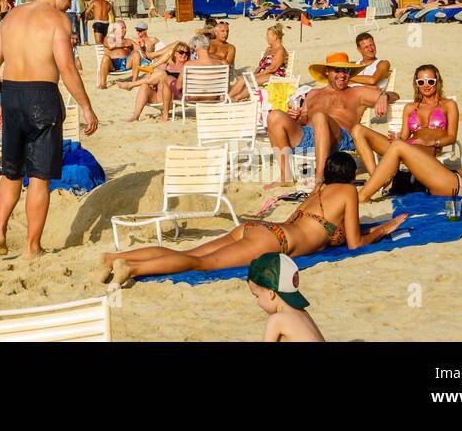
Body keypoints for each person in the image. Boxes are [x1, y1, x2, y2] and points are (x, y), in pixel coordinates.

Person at [95, 152, 407, 288]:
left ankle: (114, 258)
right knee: (199, 264)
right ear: (350, 176)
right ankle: (132, 268)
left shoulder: (319, 191)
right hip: (274, 241)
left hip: (262, 230)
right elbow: (355, 243)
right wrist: (381, 229)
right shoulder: (348, 192)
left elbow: (306, 224)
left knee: (190, 253)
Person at [0, 0, 98, 258]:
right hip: (41, 96)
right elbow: (67, 68)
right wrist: (86, 106)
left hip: (11, 94)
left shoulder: (10, 17)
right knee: (39, 177)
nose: (69, 4)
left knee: (11, 172)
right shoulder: (57, 20)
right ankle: (33, 246)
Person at [265, 52, 397, 186]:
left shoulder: (357, 92)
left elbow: (395, 95)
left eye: (346, 70)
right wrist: (296, 117)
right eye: (337, 70)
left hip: (339, 138)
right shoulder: (313, 94)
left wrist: (384, 96)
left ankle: (320, 176)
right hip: (308, 135)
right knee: (274, 115)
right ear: (327, 71)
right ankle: (286, 177)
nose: (342, 74)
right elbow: (303, 120)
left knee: (319, 116)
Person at [350, 64, 460, 182]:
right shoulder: (410, 107)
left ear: (437, 82)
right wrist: (397, 137)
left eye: (430, 81)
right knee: (357, 129)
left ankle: (378, 180)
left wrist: (431, 142)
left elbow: (452, 137)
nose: (426, 85)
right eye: (421, 82)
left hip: (427, 149)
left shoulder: (449, 105)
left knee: (400, 148)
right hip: (405, 146)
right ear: (416, 85)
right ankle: (376, 178)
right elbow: (404, 137)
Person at [247, 252, 325, 342]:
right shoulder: (303, 313)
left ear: (271, 294)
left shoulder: (276, 320)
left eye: (257, 296)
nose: (257, 302)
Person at [227, 24, 287, 102]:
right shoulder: (269, 49)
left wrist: (256, 75)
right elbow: (260, 66)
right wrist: (253, 74)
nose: (266, 37)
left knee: (250, 81)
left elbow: (272, 69)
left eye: (268, 35)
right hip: (264, 74)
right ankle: (229, 97)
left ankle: (235, 98)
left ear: (275, 36)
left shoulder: (280, 51)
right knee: (243, 79)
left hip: (274, 76)